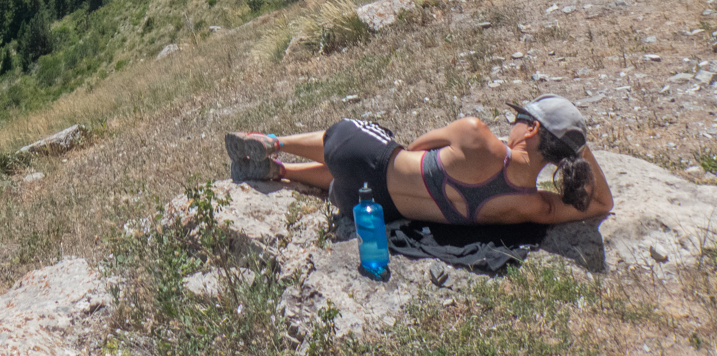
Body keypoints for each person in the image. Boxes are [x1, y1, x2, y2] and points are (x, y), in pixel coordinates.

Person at [225, 94, 613, 227]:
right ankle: (279, 171)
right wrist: (577, 148)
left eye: (519, 119)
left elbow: (415, 147)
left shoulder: (476, 134)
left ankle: (273, 143)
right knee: (364, 180)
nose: (512, 124)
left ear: (531, 130)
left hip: (361, 158)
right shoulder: (534, 206)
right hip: (375, 208)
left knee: (360, 137)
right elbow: (601, 203)